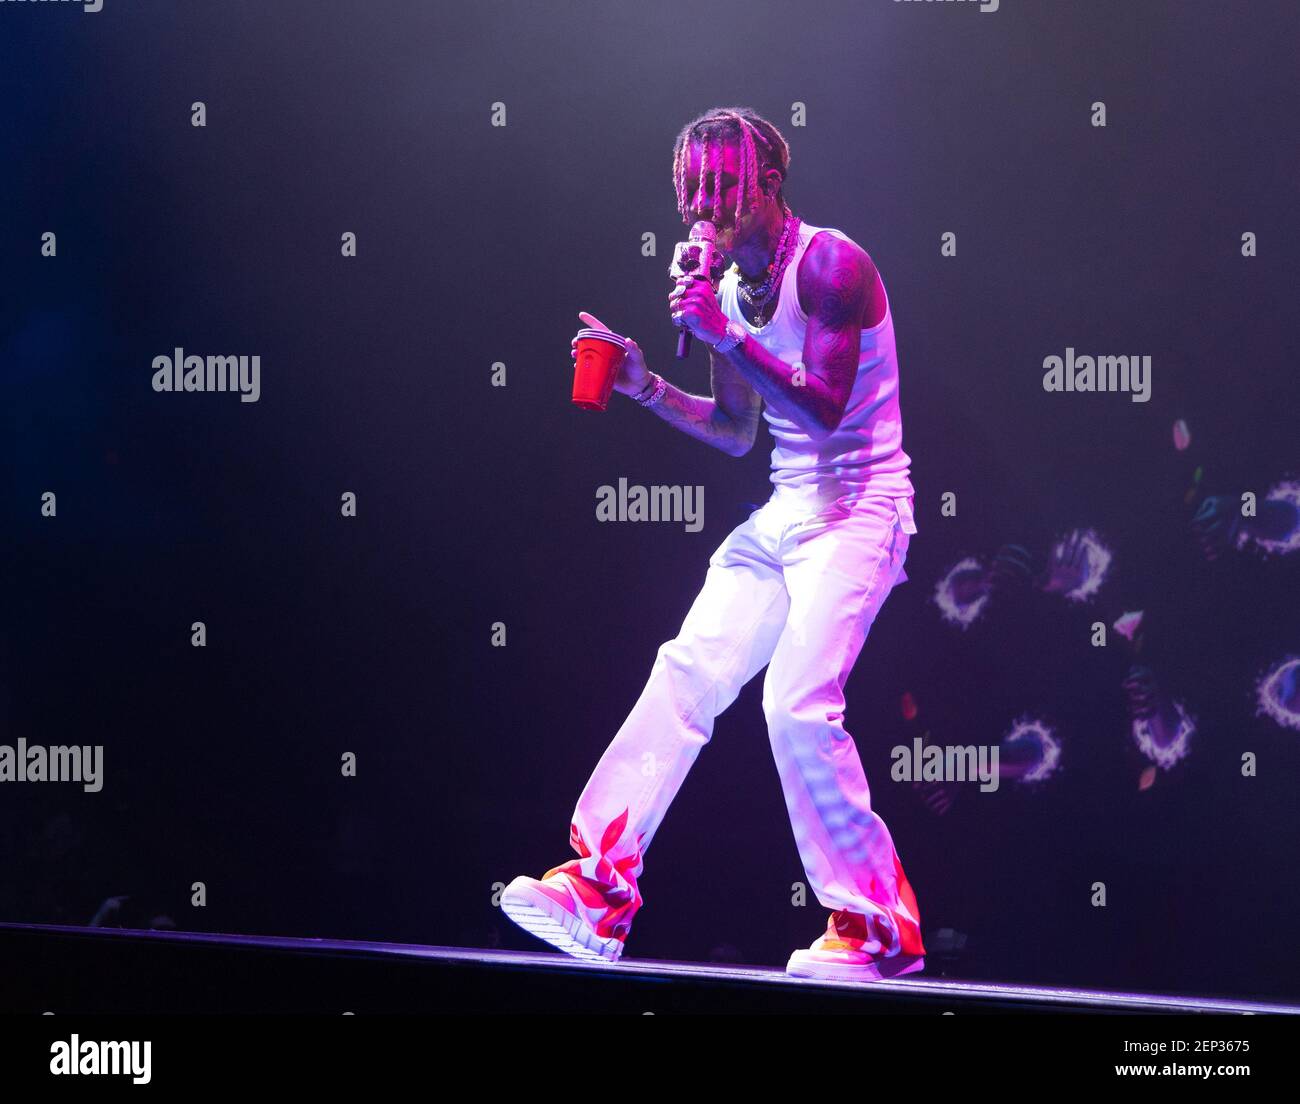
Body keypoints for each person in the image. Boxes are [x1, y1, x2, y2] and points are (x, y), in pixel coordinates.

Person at [501, 106, 925, 981]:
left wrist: (724, 330)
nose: (703, 201)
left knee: (795, 702)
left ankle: (878, 927)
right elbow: (737, 430)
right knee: (687, 669)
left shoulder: (834, 264)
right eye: (690, 186)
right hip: (785, 509)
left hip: (863, 508)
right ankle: (599, 890)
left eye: (721, 183)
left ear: (767, 184)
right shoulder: (728, 286)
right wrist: (644, 381)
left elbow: (826, 403)